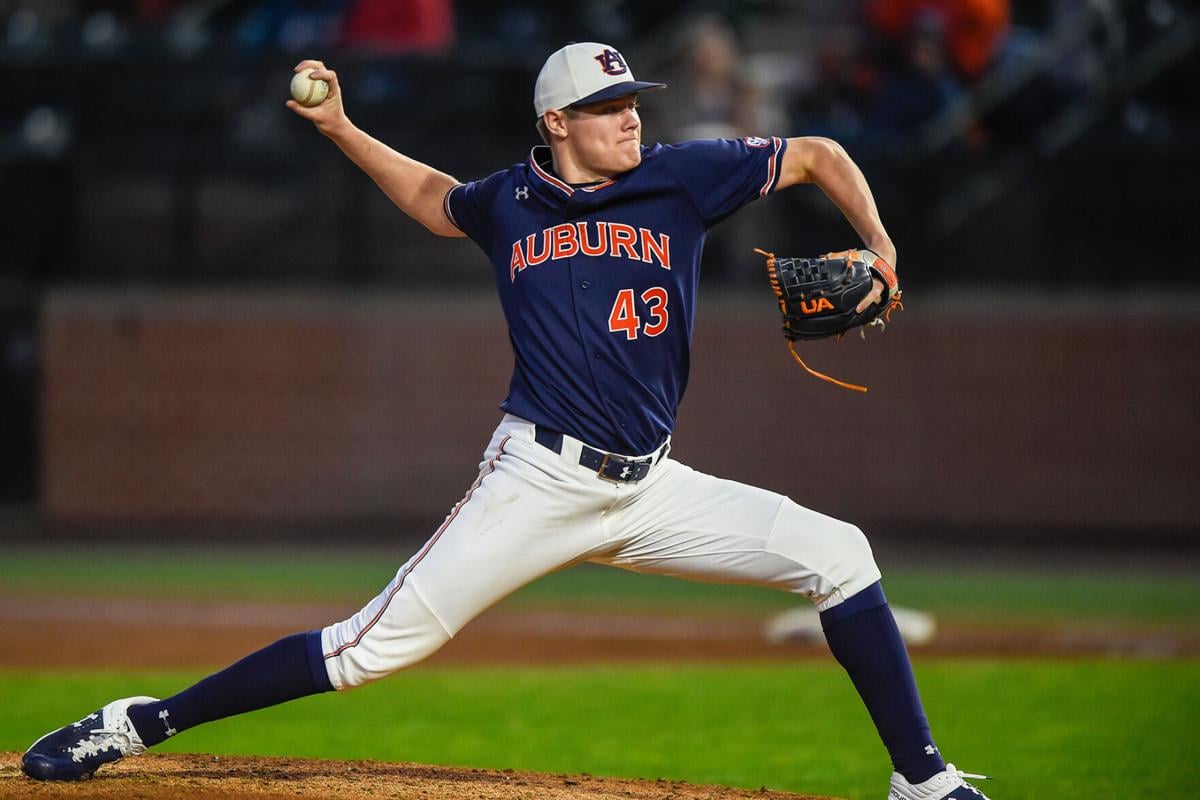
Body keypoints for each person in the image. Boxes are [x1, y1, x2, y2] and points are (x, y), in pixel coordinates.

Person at [21, 42, 993, 800]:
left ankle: (923, 775)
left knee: (838, 552)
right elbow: (429, 197)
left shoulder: (683, 176)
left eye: (634, 104)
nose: (630, 120)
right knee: (365, 650)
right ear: (557, 121)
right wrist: (340, 129)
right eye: (610, 108)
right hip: (537, 478)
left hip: (652, 484)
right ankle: (140, 720)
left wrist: (880, 243)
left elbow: (818, 153)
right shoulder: (509, 200)